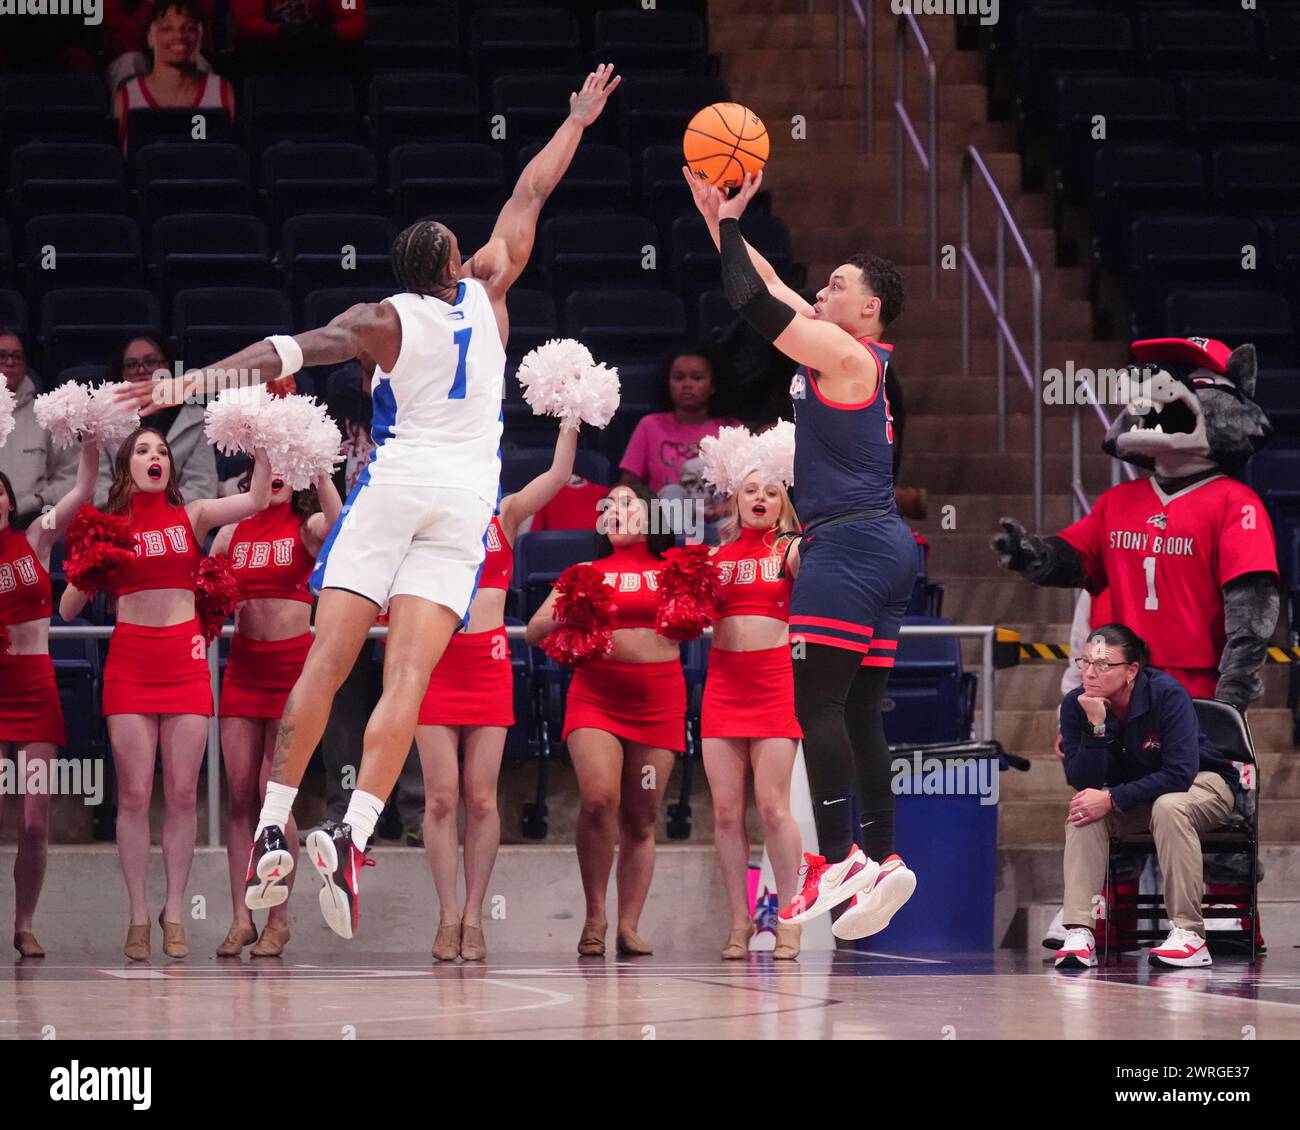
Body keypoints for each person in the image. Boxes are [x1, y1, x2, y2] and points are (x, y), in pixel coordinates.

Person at [118, 65, 622, 940]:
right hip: (465, 505)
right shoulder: (492, 286)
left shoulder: (383, 319)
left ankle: (276, 820)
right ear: (455, 263)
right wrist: (577, 119)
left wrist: (190, 381)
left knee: (330, 658)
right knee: (412, 676)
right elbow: (533, 187)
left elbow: (290, 351)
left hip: (394, 490)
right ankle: (349, 837)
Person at [684, 167, 917, 941]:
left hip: (845, 547)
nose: (823, 292)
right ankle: (883, 859)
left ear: (869, 308)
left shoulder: (847, 357)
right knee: (859, 712)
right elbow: (777, 287)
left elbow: (752, 304)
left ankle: (840, 858)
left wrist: (722, 233)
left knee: (813, 705)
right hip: (884, 547)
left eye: (838, 285)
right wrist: (730, 224)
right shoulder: (855, 359)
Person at [61, 430, 271, 961]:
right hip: (130, 662)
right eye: (142, 450)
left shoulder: (194, 514)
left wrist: (270, 439)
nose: (154, 457)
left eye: (161, 452)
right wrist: (89, 565)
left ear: (170, 467)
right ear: (125, 465)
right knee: (133, 796)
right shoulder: (112, 527)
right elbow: (65, 610)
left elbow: (255, 499)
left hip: (185, 661)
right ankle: (137, 916)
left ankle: (173, 911)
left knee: (181, 794)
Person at [420, 424, 578, 961]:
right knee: (441, 797)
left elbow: (558, 475)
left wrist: (570, 414)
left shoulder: (504, 515)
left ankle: (473, 916)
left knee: (482, 797)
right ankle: (445, 916)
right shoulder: (422, 518)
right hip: (434, 662)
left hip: (487, 663)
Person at [525, 482, 684, 957]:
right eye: (609, 505)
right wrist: (567, 608)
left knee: (641, 817)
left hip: (659, 704)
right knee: (598, 799)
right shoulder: (584, 572)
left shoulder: (675, 569)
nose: (616, 511)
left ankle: (629, 926)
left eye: (628, 503)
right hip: (596, 699)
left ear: (651, 515)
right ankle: (595, 916)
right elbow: (534, 631)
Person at [1054, 624, 1242, 971]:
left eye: (1103, 665)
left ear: (1132, 671)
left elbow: (1180, 773)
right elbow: (1081, 780)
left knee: (1169, 807)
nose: (1090, 672)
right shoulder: (1075, 704)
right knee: (1083, 810)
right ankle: (1080, 932)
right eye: (1085, 662)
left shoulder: (1166, 694)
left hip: (1203, 784)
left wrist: (1111, 799)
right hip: (1139, 795)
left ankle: (1190, 934)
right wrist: (1096, 728)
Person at [209, 468, 342, 958]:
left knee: (273, 796)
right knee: (240, 796)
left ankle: (279, 920)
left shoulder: (306, 529)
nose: (281, 476)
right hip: (242, 671)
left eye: (291, 468)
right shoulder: (231, 531)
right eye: (271, 468)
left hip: (290, 675)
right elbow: (203, 590)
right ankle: (241, 917)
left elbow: (340, 524)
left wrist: (323, 470)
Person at [0, 437, 99, 957]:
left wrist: (90, 439)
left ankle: (25, 924)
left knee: (34, 817)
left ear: (9, 502)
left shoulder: (36, 539)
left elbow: (83, 488)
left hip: (35, 689)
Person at [703, 470, 804, 960]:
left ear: (782, 500)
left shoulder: (789, 549)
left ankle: (790, 916)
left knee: (771, 806)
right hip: (723, 684)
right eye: (750, 490)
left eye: (770, 491)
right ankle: (739, 922)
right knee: (725, 811)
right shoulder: (714, 557)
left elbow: (821, 583)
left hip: (774, 682)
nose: (759, 498)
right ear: (735, 499)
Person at [619, 344, 740, 530]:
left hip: (722, 518)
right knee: (672, 493)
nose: (687, 384)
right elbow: (628, 484)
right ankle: (675, 555)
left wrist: (732, 505)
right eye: (678, 378)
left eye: (697, 378)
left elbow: (751, 483)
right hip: (669, 517)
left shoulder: (731, 429)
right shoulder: (650, 425)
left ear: (713, 385)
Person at [95, 335, 218, 506]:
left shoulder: (195, 419)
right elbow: (98, 487)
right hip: (119, 518)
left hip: (178, 519)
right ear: (123, 373)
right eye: (131, 365)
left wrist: (155, 509)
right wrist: (130, 507)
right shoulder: (105, 419)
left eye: (151, 362)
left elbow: (203, 488)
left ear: (166, 366)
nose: (141, 370)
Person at [113, 0, 235, 152]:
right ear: (150, 37)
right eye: (167, 29)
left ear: (200, 35)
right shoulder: (127, 97)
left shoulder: (222, 90)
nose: (179, 36)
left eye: (189, 29)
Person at [0, 330, 78, 529]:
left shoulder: (47, 415)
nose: (10, 362)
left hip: (32, 525)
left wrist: (40, 500)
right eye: (2, 355)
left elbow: (73, 475)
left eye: (17, 356)